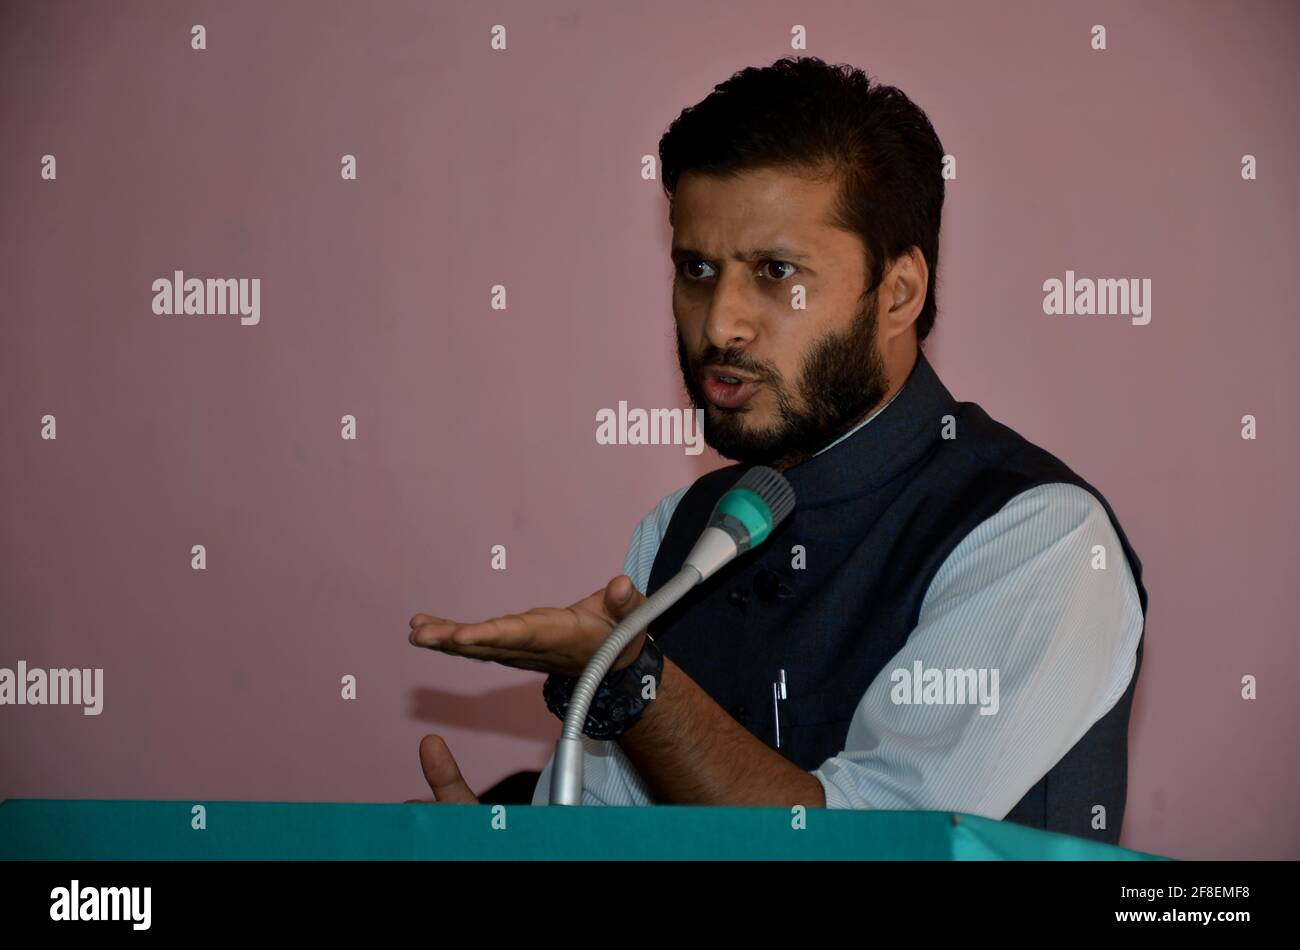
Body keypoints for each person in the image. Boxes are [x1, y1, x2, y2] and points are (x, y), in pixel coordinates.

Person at [407, 56, 1147, 843]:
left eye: (775, 273)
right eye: (697, 269)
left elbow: (863, 848)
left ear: (898, 293)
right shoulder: (679, 532)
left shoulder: (1039, 537)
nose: (720, 322)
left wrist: (633, 685)